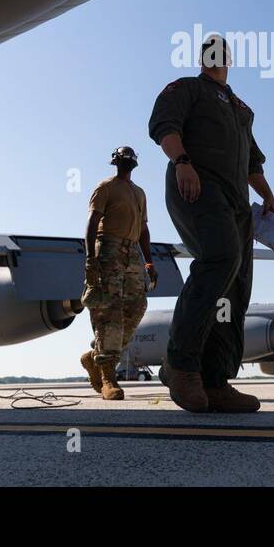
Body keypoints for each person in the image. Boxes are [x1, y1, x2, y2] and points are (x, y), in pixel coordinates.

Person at [148, 34, 274, 413]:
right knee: (219, 258)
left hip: (237, 201)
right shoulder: (187, 88)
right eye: (210, 49)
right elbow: (164, 126)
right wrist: (182, 162)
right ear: (203, 56)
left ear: (231, 59)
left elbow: (252, 162)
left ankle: (215, 378)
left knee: (235, 282)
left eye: (223, 50)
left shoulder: (241, 108)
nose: (217, 54)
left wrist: (267, 196)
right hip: (197, 184)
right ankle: (180, 363)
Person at [80, 146, 157, 401]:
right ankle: (108, 375)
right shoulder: (106, 187)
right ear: (115, 162)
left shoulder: (139, 193)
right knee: (108, 311)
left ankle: (95, 358)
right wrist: (91, 259)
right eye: (122, 159)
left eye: (130, 159)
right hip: (109, 248)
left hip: (132, 251)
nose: (126, 162)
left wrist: (149, 263)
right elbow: (92, 222)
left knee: (136, 308)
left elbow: (144, 230)